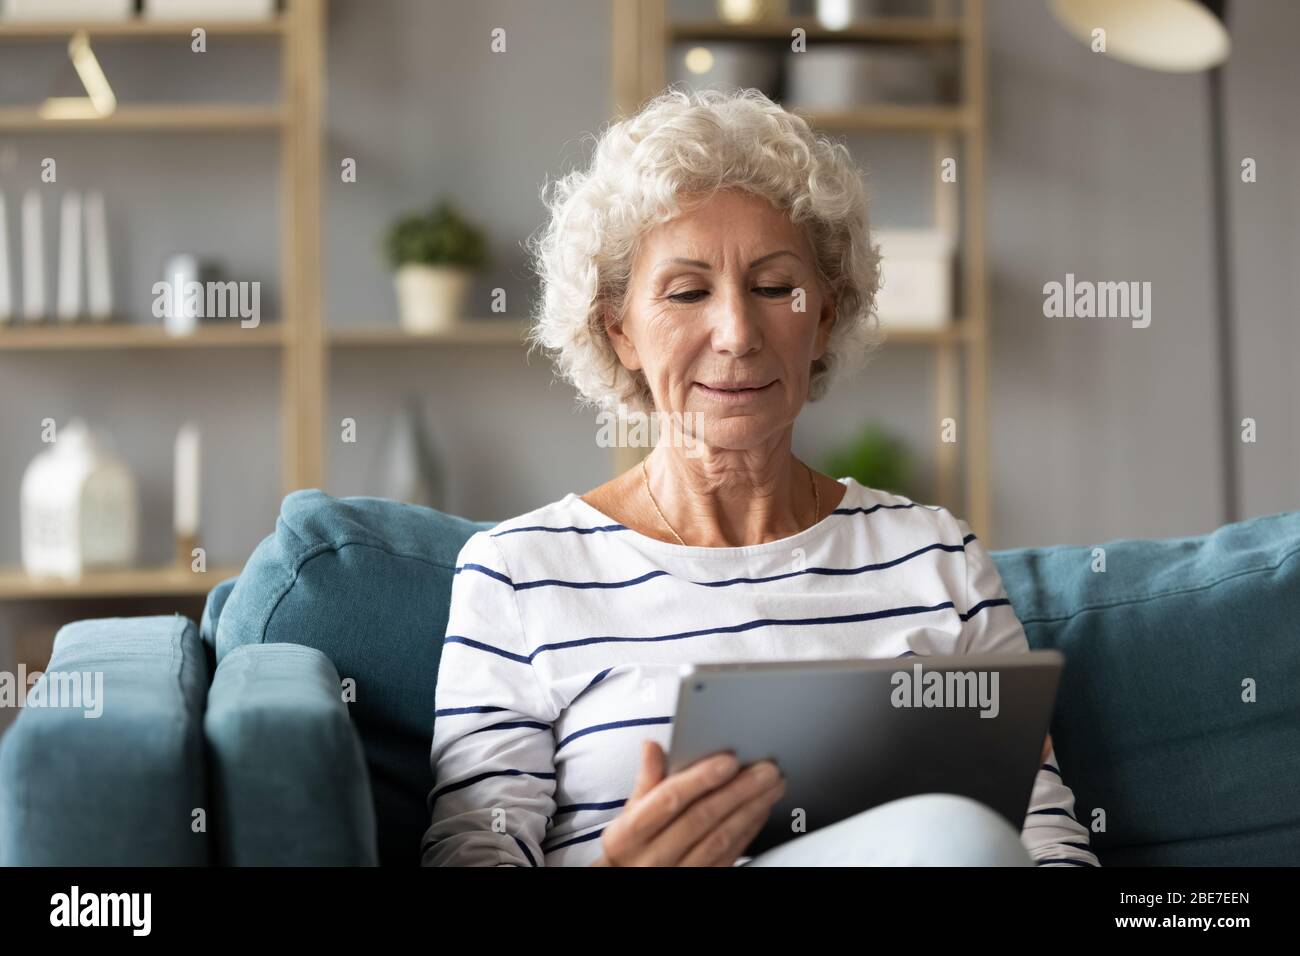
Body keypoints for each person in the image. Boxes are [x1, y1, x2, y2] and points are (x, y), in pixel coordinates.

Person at [421, 88, 1099, 867]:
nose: (738, 334)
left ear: (824, 318)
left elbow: (1047, 844)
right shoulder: (520, 573)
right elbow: (471, 857)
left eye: (776, 288)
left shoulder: (935, 556)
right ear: (620, 329)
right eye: (686, 292)